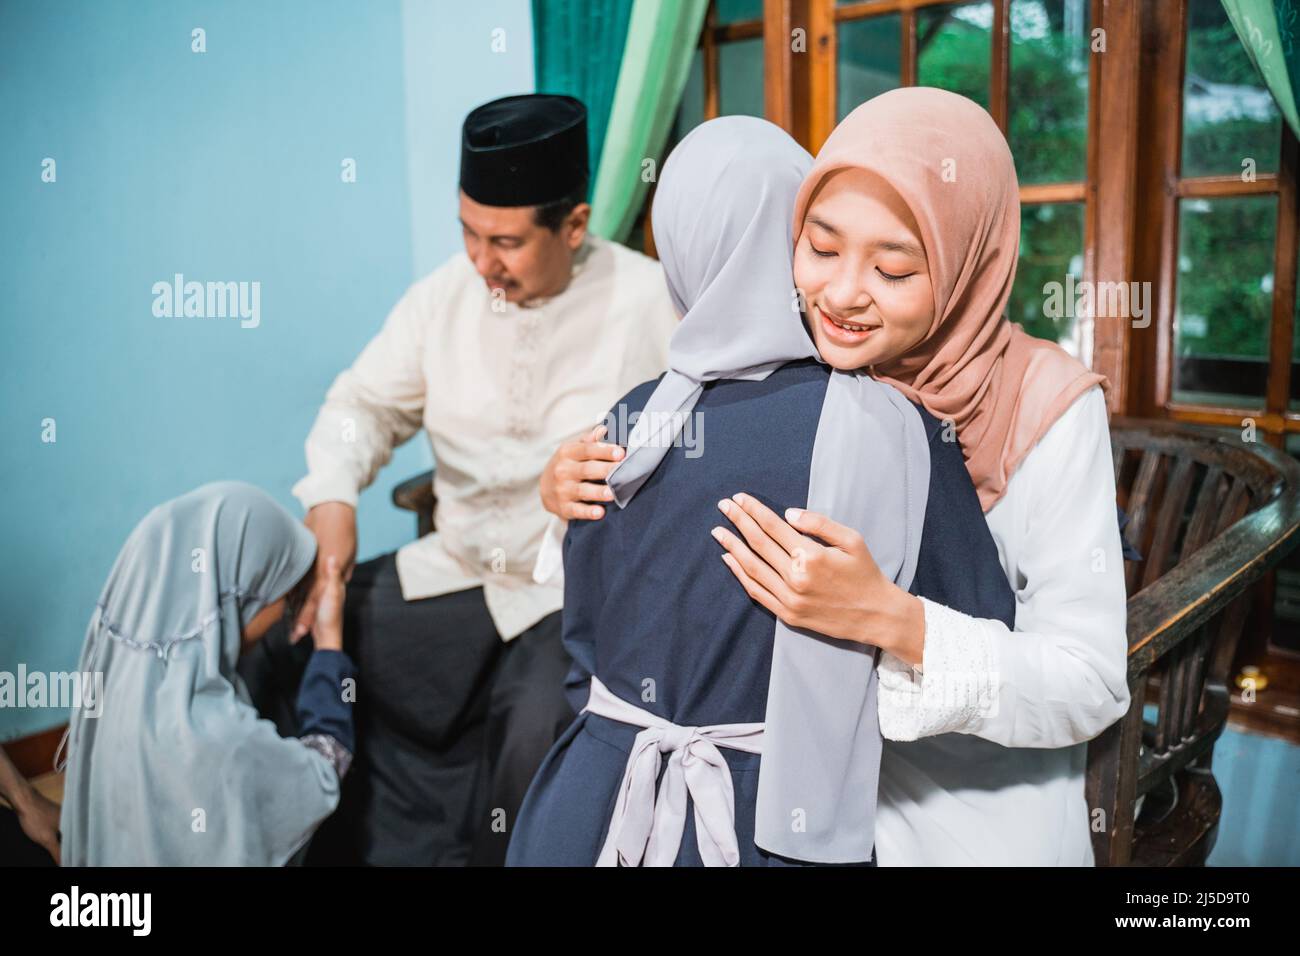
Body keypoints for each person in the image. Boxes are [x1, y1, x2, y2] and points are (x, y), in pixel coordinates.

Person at [508, 116, 1014, 867]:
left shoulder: (626, 424)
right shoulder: (894, 429)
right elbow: (976, 638)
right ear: (797, 241)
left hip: (584, 806)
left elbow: (580, 645)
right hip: (764, 822)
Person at [712, 87, 1131, 865]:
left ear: (969, 266)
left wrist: (890, 618)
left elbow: (1089, 681)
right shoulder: (786, 371)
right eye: (822, 247)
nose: (839, 295)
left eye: (894, 269)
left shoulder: (1045, 404)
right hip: (791, 798)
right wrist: (575, 489)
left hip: (967, 811)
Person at [286, 93, 677, 866]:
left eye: (504, 241)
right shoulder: (440, 300)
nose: (480, 261)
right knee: (296, 638)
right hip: (457, 563)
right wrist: (333, 497)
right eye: (467, 232)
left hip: (570, 592)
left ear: (573, 225)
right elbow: (359, 405)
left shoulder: (653, 303)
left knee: (539, 738)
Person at [57, 481, 354, 866]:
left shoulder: (108, 688)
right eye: (285, 596)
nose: (283, 615)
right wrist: (330, 647)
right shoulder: (216, 736)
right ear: (239, 596)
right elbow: (321, 778)